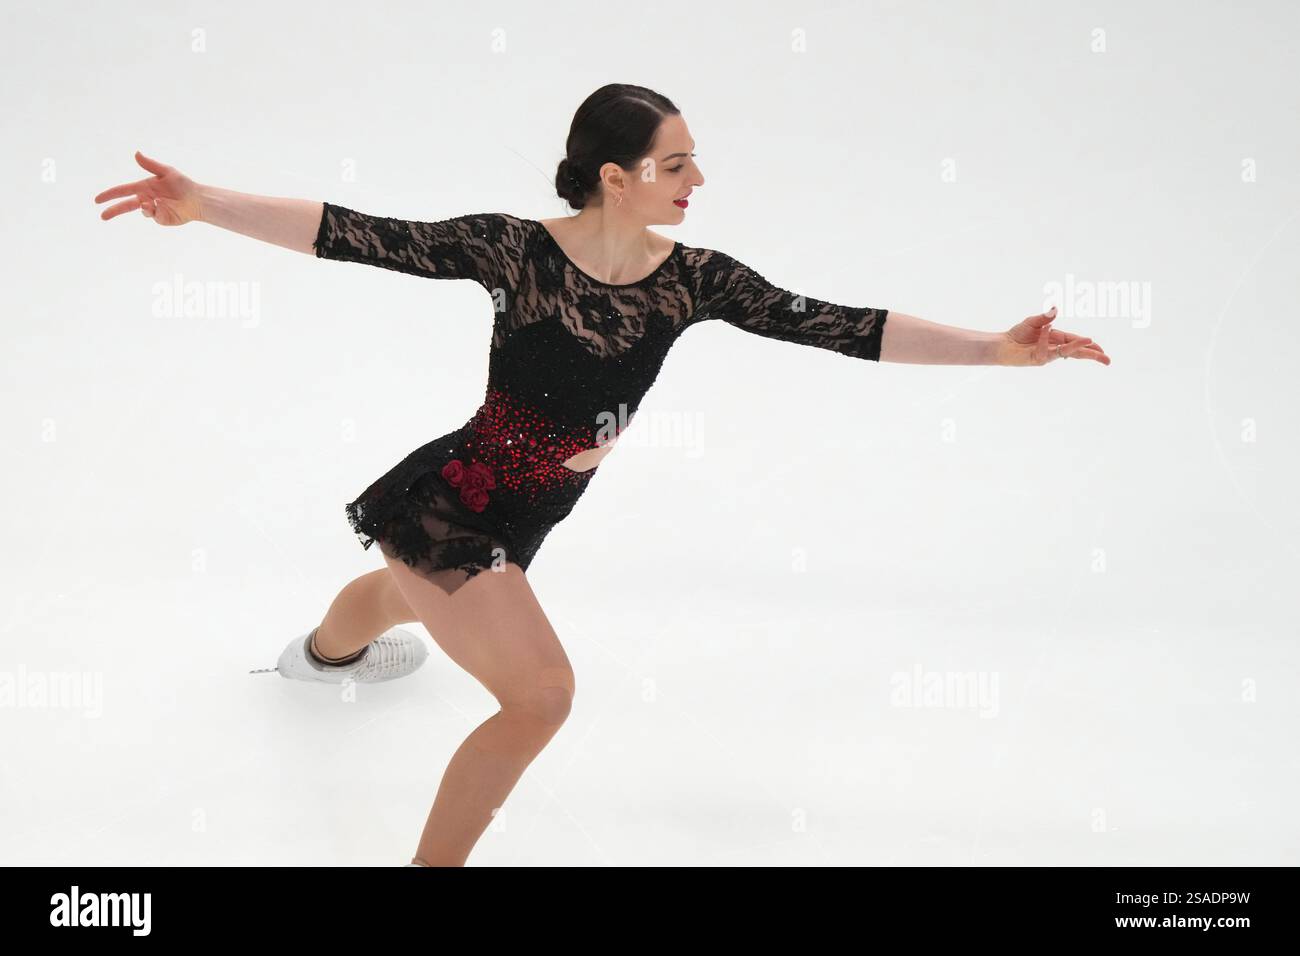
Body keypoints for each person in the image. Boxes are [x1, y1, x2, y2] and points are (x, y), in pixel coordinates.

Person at [93, 83, 1109, 867]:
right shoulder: (513, 251)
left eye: (694, 161)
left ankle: (317, 661)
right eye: (675, 162)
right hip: (456, 508)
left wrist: (995, 348)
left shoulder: (694, 279)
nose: (695, 180)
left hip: (515, 517)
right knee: (540, 696)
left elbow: (837, 324)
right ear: (613, 176)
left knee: (398, 593)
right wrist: (202, 201)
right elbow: (354, 233)